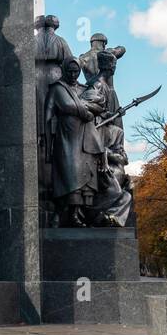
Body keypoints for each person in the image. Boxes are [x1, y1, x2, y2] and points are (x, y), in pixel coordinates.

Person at [43, 57, 108, 227]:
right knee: (70, 173)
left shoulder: (84, 89)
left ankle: (80, 213)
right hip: (66, 136)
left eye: (76, 71)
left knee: (86, 173)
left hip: (87, 135)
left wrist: (83, 108)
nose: (73, 74)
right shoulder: (57, 88)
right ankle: (67, 213)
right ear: (64, 70)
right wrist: (45, 136)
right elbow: (48, 113)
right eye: (70, 71)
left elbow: (99, 106)